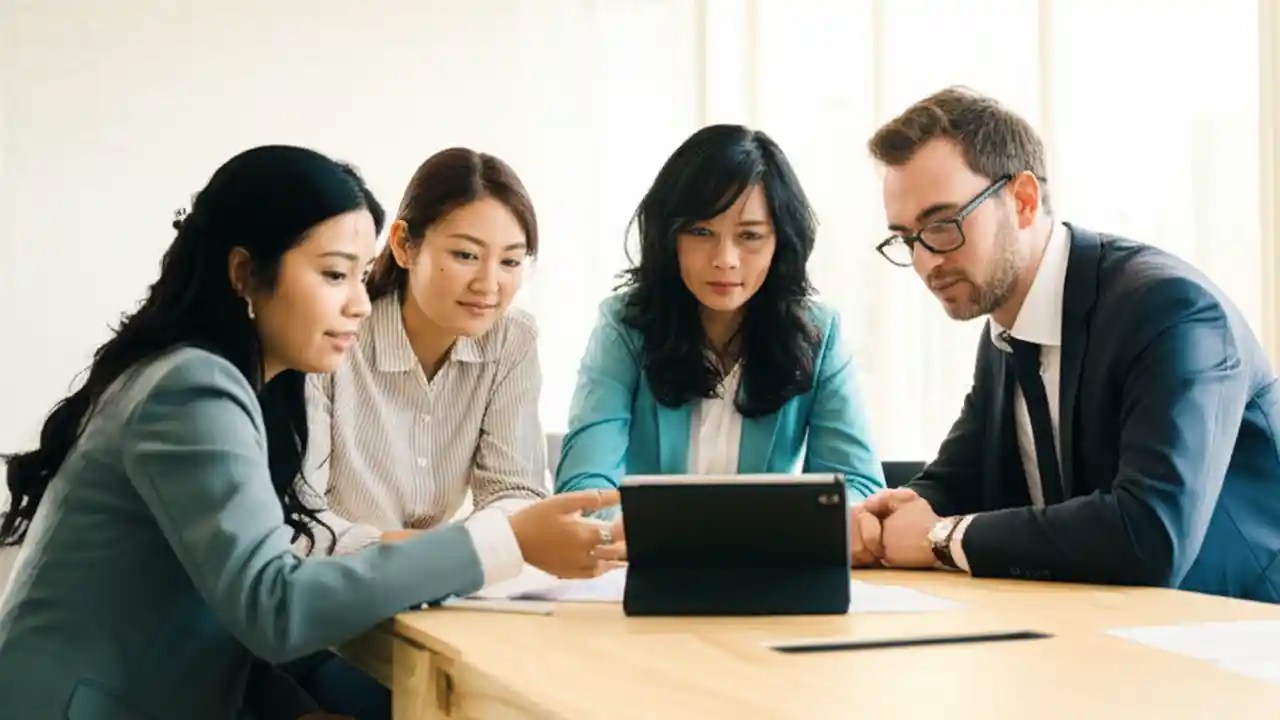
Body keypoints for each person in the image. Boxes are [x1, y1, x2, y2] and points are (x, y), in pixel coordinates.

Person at [0, 145, 623, 720]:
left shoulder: (242, 383)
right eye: (333, 275)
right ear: (245, 274)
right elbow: (274, 603)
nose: (358, 302)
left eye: (359, 275)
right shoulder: (191, 390)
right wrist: (499, 542)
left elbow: (219, 605)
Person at [853, 87, 1280, 602]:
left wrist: (939, 538)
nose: (925, 262)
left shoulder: (1172, 311)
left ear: (1024, 201)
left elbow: (1151, 534)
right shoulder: (1008, 331)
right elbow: (963, 478)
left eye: (942, 227)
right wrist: (885, 519)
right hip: (1108, 630)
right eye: (906, 238)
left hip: (1239, 637)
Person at [554, 124, 884, 511]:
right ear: (669, 235)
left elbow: (858, 485)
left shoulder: (818, 332)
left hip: (766, 565)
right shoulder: (625, 326)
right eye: (701, 231)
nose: (724, 259)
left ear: (780, 242)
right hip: (646, 560)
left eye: (749, 236)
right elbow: (584, 485)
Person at [298, 147, 546, 557]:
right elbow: (301, 520)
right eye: (466, 255)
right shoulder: (334, 337)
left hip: (438, 588)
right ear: (403, 245)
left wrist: (456, 553)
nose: (488, 284)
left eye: (510, 261)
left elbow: (515, 491)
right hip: (332, 590)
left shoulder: (512, 340)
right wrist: (446, 553)